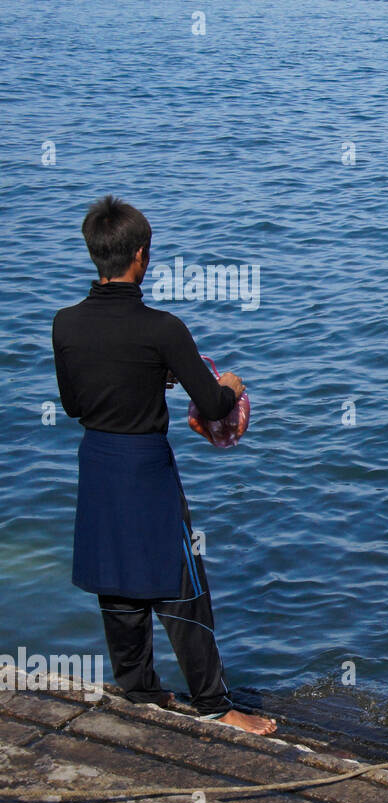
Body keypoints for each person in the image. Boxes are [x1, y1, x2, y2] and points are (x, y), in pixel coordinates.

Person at [51, 196, 276, 735]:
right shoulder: (163, 329)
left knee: (118, 579)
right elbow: (216, 406)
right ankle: (216, 706)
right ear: (141, 256)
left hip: (98, 463)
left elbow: (75, 406)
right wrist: (230, 386)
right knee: (182, 584)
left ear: (94, 255)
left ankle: (141, 691)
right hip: (146, 466)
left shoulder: (65, 325)